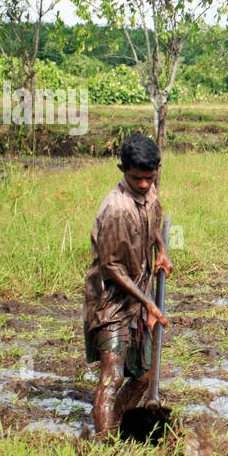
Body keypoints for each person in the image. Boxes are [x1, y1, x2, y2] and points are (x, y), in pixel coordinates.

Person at [83, 134, 172, 437]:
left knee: (145, 375)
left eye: (150, 177)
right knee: (113, 376)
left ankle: (116, 426)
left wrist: (161, 249)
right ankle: (104, 445)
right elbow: (111, 267)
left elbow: (155, 225)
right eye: (137, 179)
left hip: (139, 296)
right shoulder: (116, 209)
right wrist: (149, 302)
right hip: (111, 302)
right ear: (122, 169)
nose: (145, 184)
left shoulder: (151, 194)